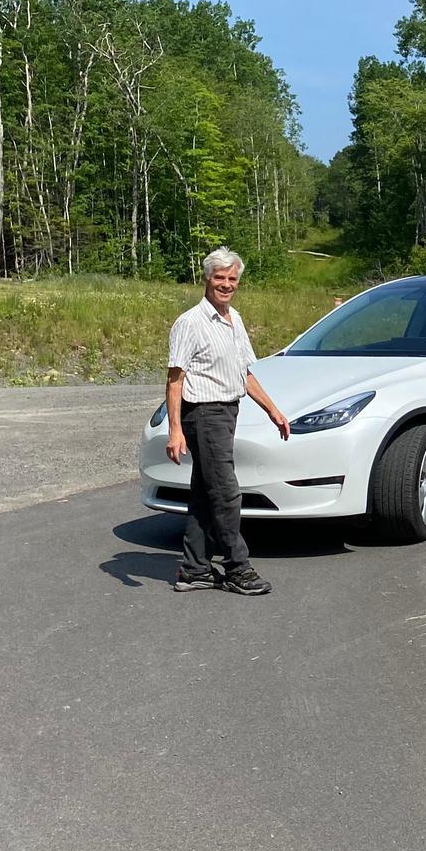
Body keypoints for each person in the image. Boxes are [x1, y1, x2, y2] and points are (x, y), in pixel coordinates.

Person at [164, 247, 290, 595]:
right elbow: (175, 379)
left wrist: (273, 410)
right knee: (226, 493)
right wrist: (175, 430)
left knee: (206, 494)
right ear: (207, 278)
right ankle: (237, 567)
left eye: (232, 278)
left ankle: (195, 570)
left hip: (227, 412)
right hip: (203, 415)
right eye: (219, 277)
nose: (226, 284)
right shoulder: (190, 323)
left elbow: (243, 374)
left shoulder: (234, 319)